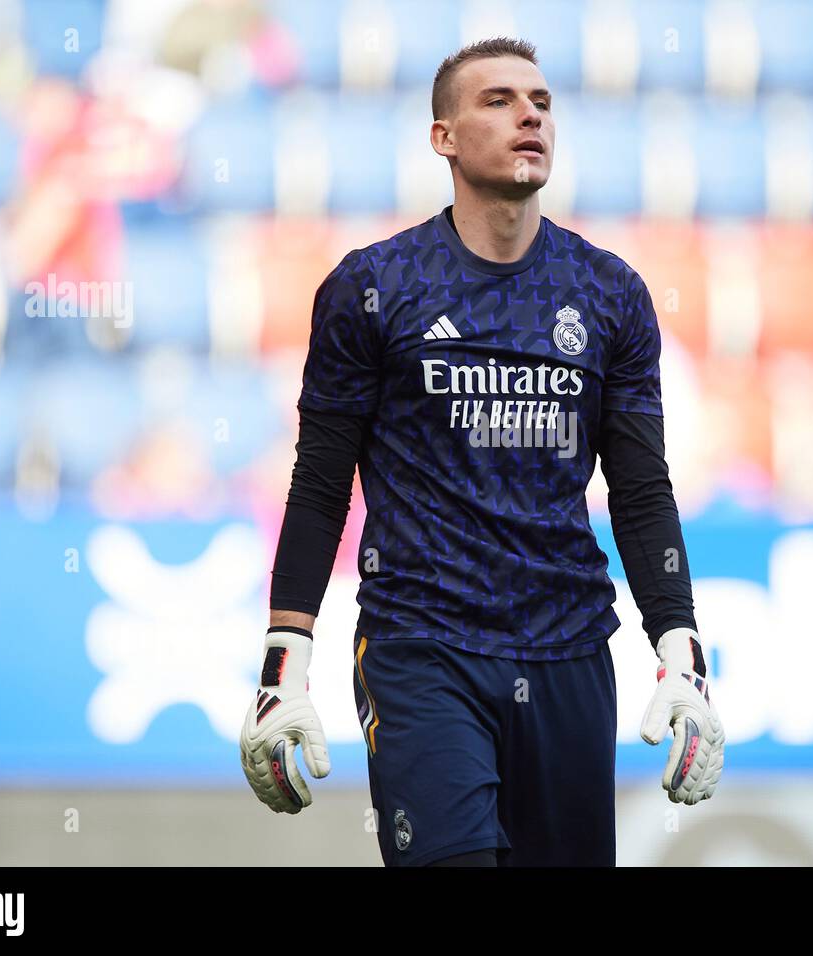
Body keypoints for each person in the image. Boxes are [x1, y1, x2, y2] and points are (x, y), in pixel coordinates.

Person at [237, 37, 724, 867]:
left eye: (540, 100)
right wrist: (284, 664)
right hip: (421, 646)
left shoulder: (610, 294)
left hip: (569, 648)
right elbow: (320, 486)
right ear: (444, 137)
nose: (529, 113)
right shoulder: (373, 288)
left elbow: (642, 491)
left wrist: (682, 654)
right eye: (497, 100)